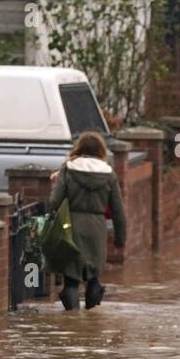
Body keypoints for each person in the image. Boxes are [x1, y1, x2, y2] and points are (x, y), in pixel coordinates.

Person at [47, 132, 127, 310]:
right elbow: (118, 211)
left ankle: (72, 321)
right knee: (93, 276)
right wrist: (120, 239)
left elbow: (54, 202)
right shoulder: (109, 174)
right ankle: (92, 321)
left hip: (72, 226)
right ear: (101, 151)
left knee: (71, 278)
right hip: (97, 229)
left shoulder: (68, 169)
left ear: (79, 148)